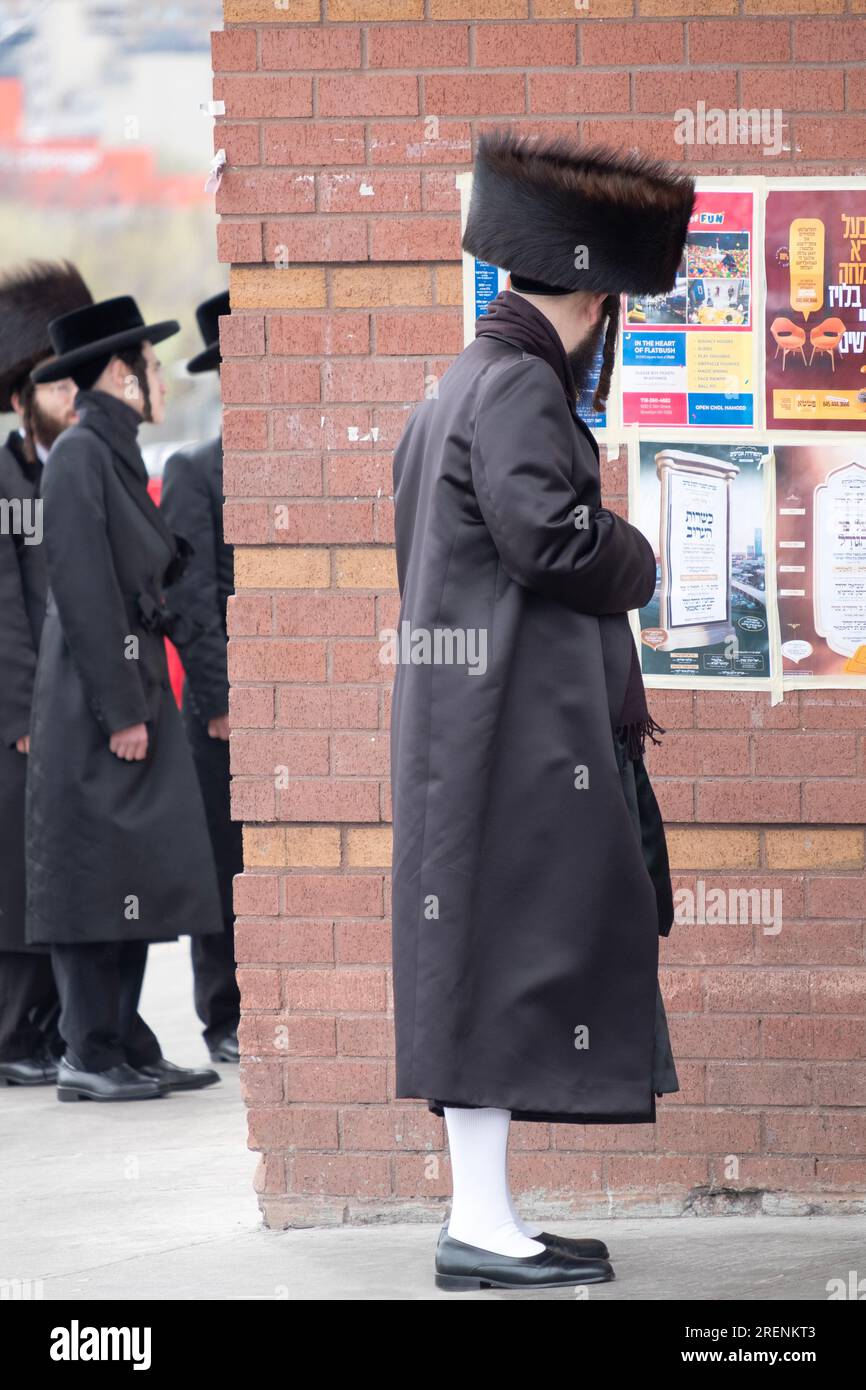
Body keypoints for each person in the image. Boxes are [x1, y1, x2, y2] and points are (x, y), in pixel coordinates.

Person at [389, 129, 695, 1291]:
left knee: (491, 963)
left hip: (476, 736)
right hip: (506, 742)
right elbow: (546, 539)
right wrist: (637, 551)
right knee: (501, 962)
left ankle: (489, 1213)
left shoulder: (461, 382)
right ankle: (476, 1226)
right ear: (595, 296)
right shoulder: (518, 383)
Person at [26, 295, 225, 1102]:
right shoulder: (78, 457)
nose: (162, 377)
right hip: (95, 708)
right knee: (90, 877)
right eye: (148, 362)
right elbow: (82, 593)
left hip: (128, 696)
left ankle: (124, 1039)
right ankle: (88, 1051)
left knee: (133, 872)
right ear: (119, 372)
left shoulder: (112, 454)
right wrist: (124, 712)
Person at [0, 259, 93, 1087]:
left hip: (74, 703)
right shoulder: (4, 479)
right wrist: (26, 715)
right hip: (21, 714)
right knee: (19, 881)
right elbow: (4, 611)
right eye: (55, 381)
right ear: (24, 387)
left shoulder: (75, 463)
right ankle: (15, 1037)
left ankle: (71, 1031)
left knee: (67, 873)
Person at [160, 290, 242, 1064]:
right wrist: (217, 702)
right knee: (223, 860)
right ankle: (223, 1016)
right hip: (220, 706)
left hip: (277, 699)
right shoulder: (194, 470)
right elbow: (188, 601)